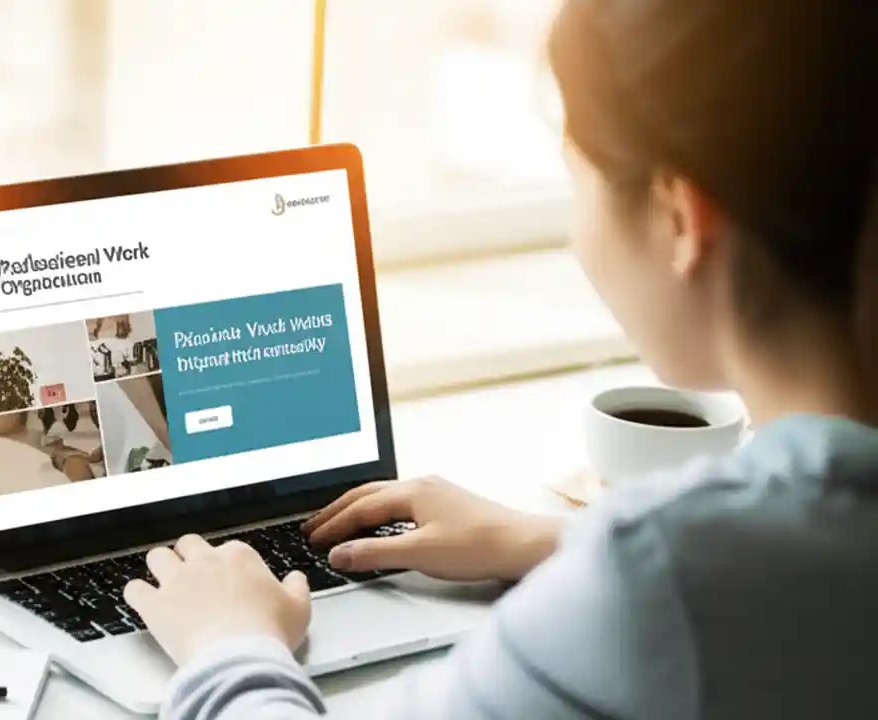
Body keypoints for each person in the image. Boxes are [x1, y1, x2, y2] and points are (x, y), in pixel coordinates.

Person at [122, 1, 878, 717]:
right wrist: (546, 539)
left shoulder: (658, 581)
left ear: (682, 218)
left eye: (574, 174)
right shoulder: (756, 556)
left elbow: (698, 585)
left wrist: (229, 646)